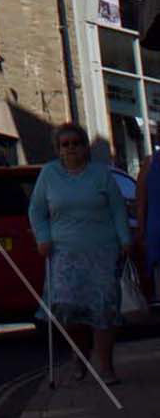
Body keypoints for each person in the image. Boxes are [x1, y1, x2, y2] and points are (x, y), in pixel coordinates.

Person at [29, 121, 129, 385]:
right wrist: (43, 238)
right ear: (58, 150)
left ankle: (106, 367)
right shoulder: (49, 174)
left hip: (102, 251)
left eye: (76, 143)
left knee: (103, 309)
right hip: (64, 253)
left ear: (85, 148)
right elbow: (36, 211)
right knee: (67, 309)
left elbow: (118, 209)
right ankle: (79, 353)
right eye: (65, 144)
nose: (71, 148)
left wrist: (125, 239)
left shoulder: (101, 174)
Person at [134, 139, 160, 303]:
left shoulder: (150, 164)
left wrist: (141, 233)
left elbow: (140, 206)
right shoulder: (150, 164)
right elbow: (141, 206)